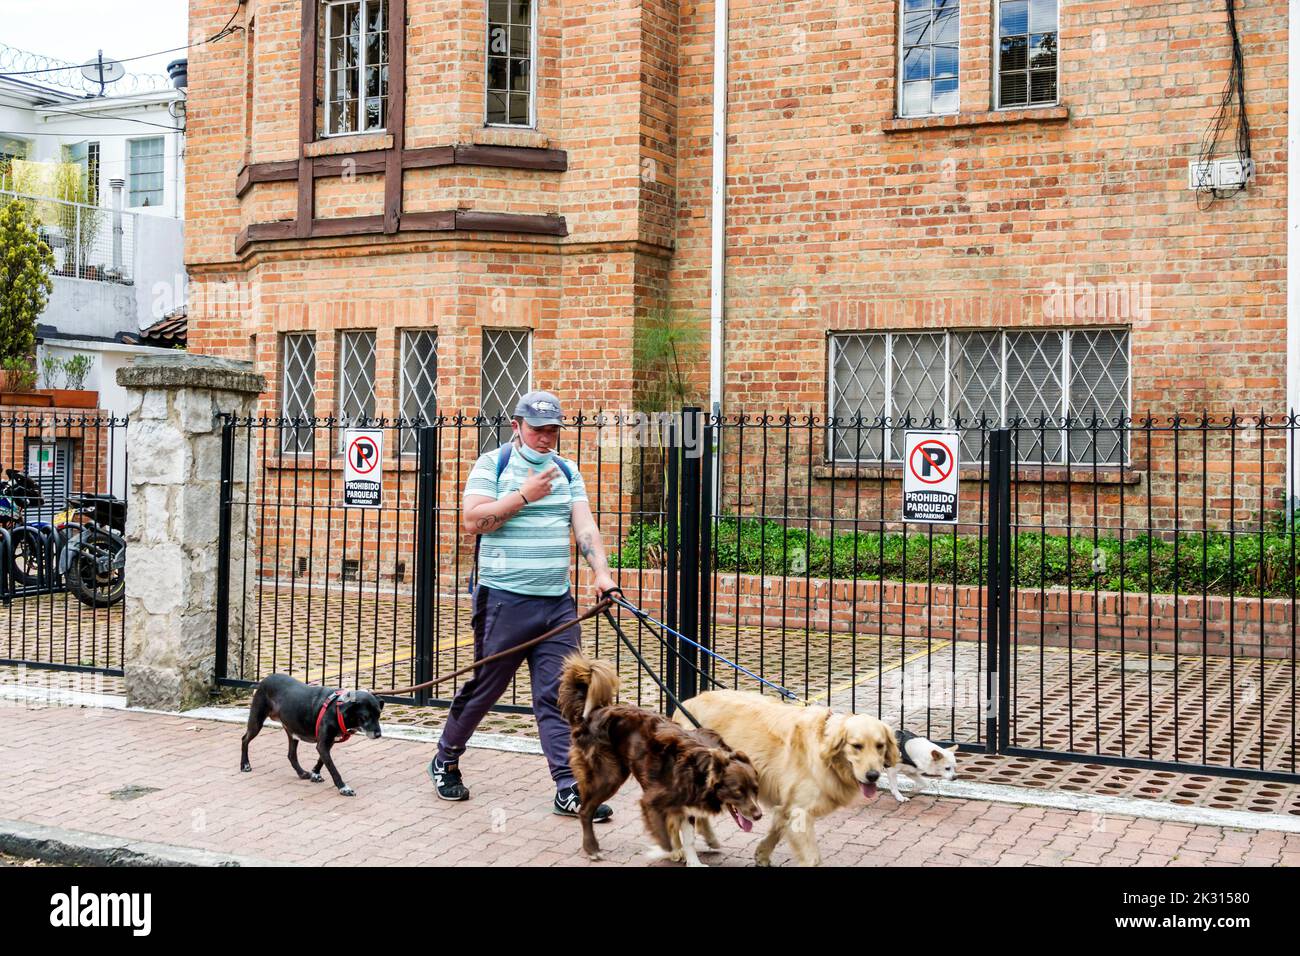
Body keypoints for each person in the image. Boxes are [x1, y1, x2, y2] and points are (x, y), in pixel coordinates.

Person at [429, 390, 618, 820]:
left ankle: (569, 787)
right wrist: (525, 495)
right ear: (517, 426)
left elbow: (584, 525)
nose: (546, 438)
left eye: (553, 430)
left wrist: (601, 573)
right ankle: (446, 758)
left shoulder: (567, 471)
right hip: (504, 600)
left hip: (557, 604)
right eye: (538, 429)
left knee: (559, 697)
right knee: (486, 688)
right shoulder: (491, 464)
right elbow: (473, 520)